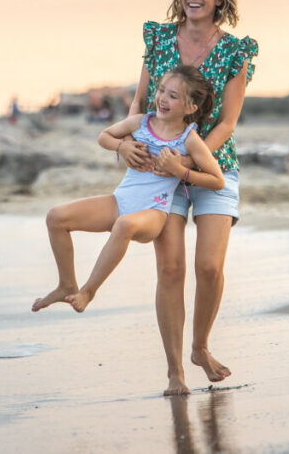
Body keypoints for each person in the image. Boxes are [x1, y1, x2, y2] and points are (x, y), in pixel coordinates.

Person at [120, 0, 258, 396]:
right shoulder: (159, 39)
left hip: (214, 164)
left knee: (210, 267)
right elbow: (140, 103)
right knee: (172, 269)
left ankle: (200, 347)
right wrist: (127, 145)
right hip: (160, 170)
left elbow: (227, 122)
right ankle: (175, 372)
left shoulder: (236, 51)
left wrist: (188, 161)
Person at [32, 66, 224, 314]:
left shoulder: (189, 139)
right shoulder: (140, 122)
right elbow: (104, 136)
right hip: (119, 201)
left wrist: (179, 170)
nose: (163, 98)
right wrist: (122, 147)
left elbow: (217, 180)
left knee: (124, 225)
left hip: (153, 212)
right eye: (162, 90)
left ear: (191, 108)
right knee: (56, 217)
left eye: (173, 96)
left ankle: (89, 291)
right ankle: (66, 283)